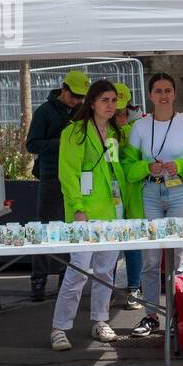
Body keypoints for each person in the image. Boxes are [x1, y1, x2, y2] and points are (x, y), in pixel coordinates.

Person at [123, 73, 183, 339]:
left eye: (168, 90)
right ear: (150, 96)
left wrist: (180, 166)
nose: (163, 95)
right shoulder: (139, 127)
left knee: (182, 258)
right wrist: (146, 167)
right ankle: (151, 316)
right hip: (149, 192)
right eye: (158, 91)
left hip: (179, 191)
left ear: (174, 94)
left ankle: (181, 315)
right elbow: (127, 168)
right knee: (151, 259)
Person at [51, 80, 125, 351]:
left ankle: (101, 319)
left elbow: (115, 170)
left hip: (111, 210)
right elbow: (68, 173)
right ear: (91, 102)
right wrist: (78, 207)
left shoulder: (115, 133)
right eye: (104, 100)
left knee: (106, 271)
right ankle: (60, 327)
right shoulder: (75, 132)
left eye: (113, 100)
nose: (110, 105)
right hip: (84, 212)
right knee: (79, 270)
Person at [26, 70, 88, 300]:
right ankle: (39, 280)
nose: (78, 100)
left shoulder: (82, 112)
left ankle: (66, 278)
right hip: (51, 177)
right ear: (63, 90)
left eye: (82, 97)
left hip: (75, 178)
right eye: (74, 95)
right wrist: (61, 144)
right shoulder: (44, 112)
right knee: (45, 228)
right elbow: (31, 144)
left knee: (70, 228)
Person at [112, 82, 143, 311]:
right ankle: (108, 289)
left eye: (123, 111)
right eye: (116, 111)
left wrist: (124, 129)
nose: (119, 115)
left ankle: (134, 287)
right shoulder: (99, 125)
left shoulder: (140, 125)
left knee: (133, 241)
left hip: (133, 190)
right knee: (110, 242)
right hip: (110, 189)